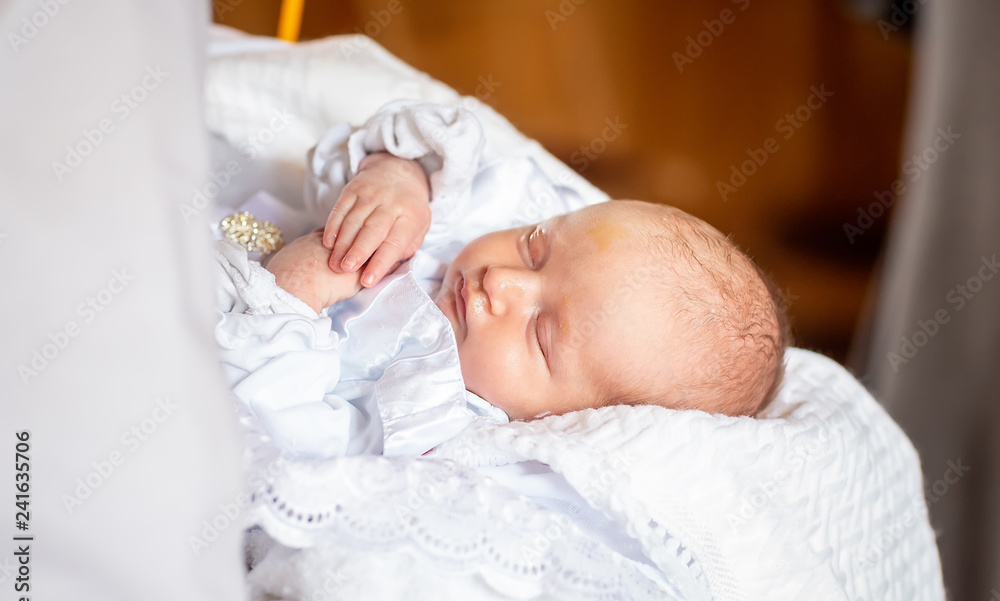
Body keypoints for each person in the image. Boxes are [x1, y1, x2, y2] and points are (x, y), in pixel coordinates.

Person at [215, 101, 788, 460]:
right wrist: (396, 178)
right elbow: (417, 140)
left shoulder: (426, 408)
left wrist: (293, 297)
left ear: (565, 422)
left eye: (540, 333)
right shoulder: (476, 213)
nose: (502, 281)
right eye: (535, 246)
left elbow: (277, 435)